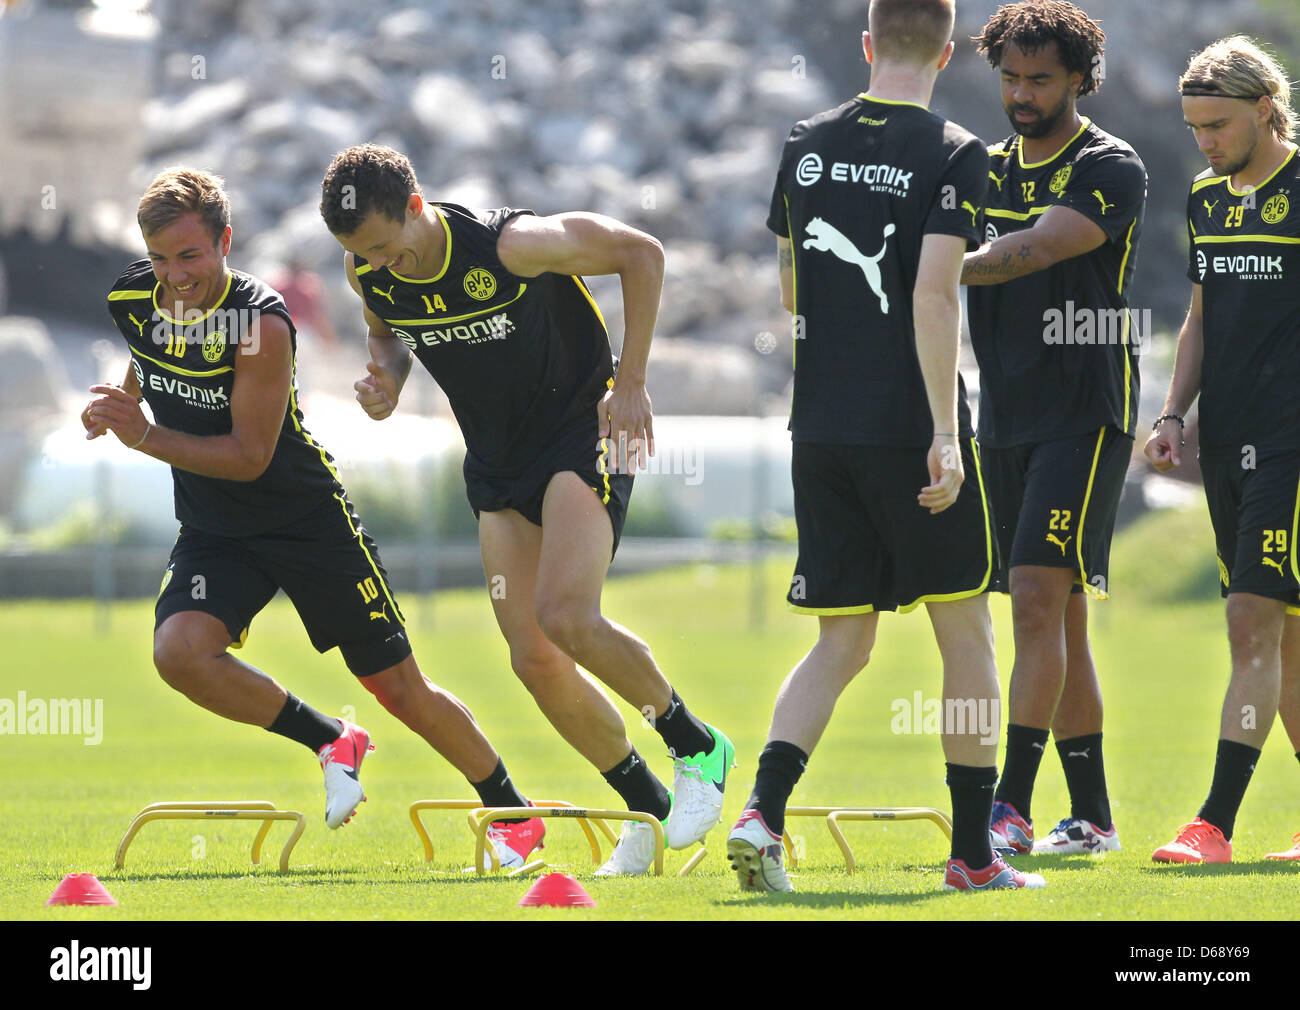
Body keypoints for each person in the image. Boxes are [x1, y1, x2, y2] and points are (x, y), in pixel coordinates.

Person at [84, 167, 546, 869]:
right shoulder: (131, 297)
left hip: (305, 521)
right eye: (160, 259)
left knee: (398, 689)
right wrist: (117, 405)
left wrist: (142, 436)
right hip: (216, 532)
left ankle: (512, 813)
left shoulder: (263, 323)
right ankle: (332, 739)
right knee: (179, 653)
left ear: (225, 243)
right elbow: (148, 361)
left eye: (190, 256)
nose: (175, 276)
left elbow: (248, 456)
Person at [318, 145, 734, 875]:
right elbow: (385, 330)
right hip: (496, 461)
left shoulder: (512, 244)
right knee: (534, 659)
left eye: (385, 247)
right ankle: (646, 807)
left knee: (567, 617)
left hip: (579, 431)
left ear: (416, 208)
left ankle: (697, 744)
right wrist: (384, 377)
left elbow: (643, 253)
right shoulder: (367, 267)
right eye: (361, 255)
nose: (376, 265)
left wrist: (631, 383)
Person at [725, 0, 1044, 893]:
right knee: (967, 634)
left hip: (819, 426)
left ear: (869, 46)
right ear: (950, 53)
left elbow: (793, 279)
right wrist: (946, 431)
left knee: (841, 640)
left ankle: (760, 813)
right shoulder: (955, 151)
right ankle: (975, 858)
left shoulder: (805, 140)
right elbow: (936, 296)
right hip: (909, 429)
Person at [962, 0, 1146, 856]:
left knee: (1037, 598)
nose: (1022, 94)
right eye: (1009, 78)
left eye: (1040, 79)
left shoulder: (1109, 164)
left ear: (1080, 78)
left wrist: (944, 268)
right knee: (1057, 616)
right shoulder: (983, 165)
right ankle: (1096, 818)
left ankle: (1009, 807)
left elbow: (1040, 245)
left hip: (1084, 412)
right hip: (1004, 414)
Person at [1146, 36, 1300, 864]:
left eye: (1217, 125)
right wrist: (1174, 412)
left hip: (1292, 444)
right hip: (1227, 442)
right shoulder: (1206, 201)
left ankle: (1215, 825)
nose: (1203, 141)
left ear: (1265, 109)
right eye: (1194, 126)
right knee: (1282, 639)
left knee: (1251, 622)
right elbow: (1201, 314)